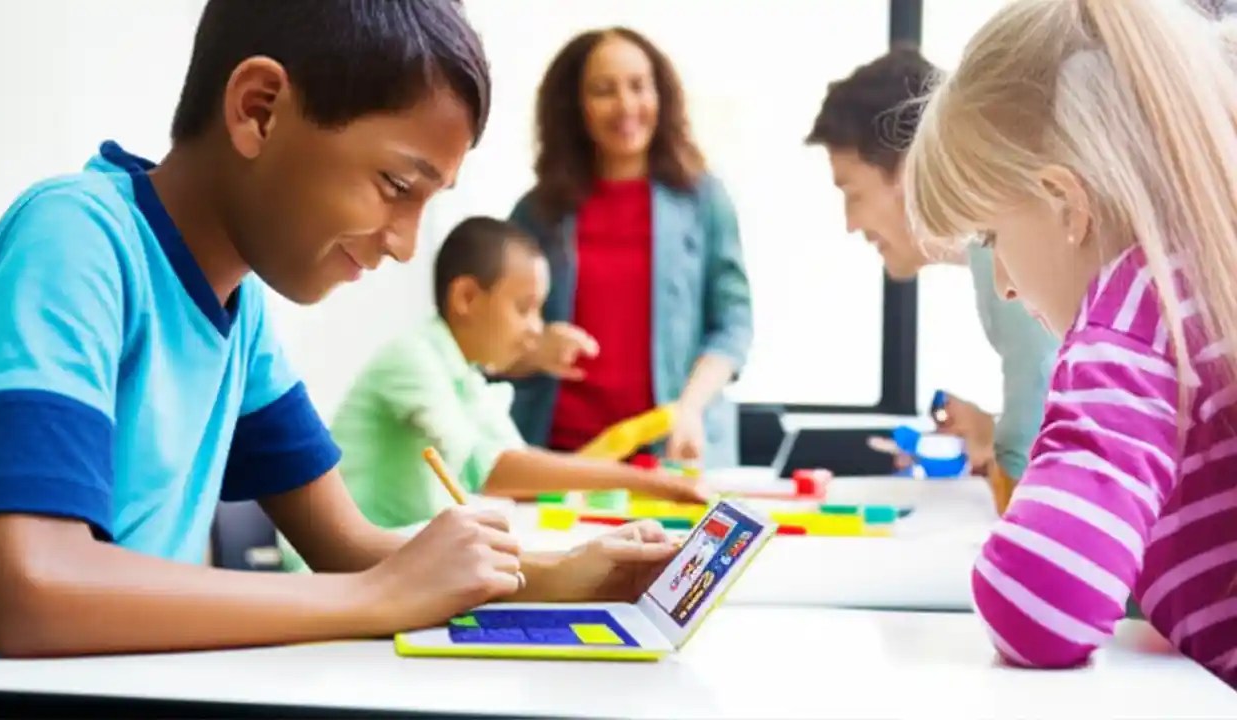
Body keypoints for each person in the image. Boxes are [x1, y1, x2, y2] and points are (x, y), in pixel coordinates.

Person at [0, 0, 679, 669]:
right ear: (259, 111)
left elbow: (348, 547)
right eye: (397, 186)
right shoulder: (76, 239)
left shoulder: (237, 310)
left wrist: (559, 573)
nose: (404, 244)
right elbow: (33, 589)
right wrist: (377, 601)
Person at [904, 0, 1237, 683]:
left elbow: (1044, 601)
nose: (1001, 284)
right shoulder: (1207, 271)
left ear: (1064, 202)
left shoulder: (1138, 314)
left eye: (991, 237)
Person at [281, 217, 706, 564]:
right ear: (466, 297)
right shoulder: (412, 359)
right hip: (335, 568)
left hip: (394, 559)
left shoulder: (467, 377)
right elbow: (495, 471)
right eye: (524, 308)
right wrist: (648, 483)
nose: (535, 329)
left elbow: (517, 467)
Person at [806, 47, 1059, 514]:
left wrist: (1006, 445)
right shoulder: (994, 251)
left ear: (908, 168)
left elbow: (1035, 443)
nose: (849, 223)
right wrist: (986, 431)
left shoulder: (1004, 252)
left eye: (853, 194)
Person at [504, 27, 753, 469]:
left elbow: (733, 325)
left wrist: (689, 408)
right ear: (574, 105)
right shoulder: (537, 212)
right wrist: (533, 350)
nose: (626, 106)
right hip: (564, 458)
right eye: (604, 90)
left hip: (674, 454)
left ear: (662, 95)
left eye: (639, 86)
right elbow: (488, 339)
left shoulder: (705, 200)